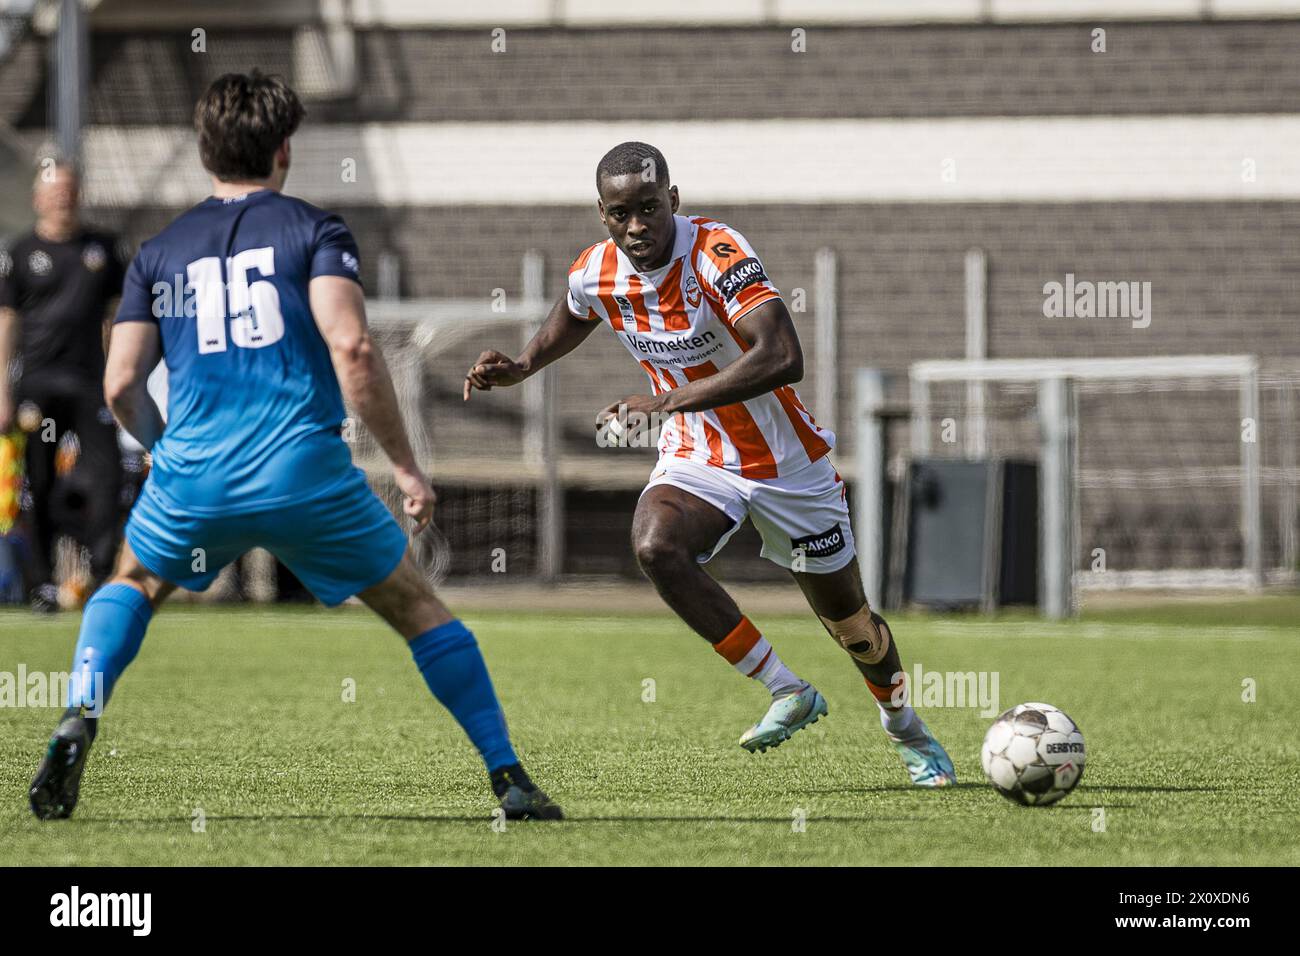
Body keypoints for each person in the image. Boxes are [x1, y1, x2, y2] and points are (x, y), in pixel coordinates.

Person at [29, 71, 561, 822]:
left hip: (195, 475)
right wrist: (406, 466)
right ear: (284, 150)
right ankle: (508, 776)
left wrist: (164, 449)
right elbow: (354, 349)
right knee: (415, 606)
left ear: (204, 151)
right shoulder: (315, 231)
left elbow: (120, 384)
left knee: (134, 583)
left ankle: (79, 711)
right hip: (303, 474)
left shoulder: (158, 252)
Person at [465, 142, 954, 786]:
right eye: (620, 214)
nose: (636, 226)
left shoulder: (716, 251)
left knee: (851, 625)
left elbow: (782, 354)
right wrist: (524, 364)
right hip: (700, 456)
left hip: (788, 464)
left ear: (673, 200)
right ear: (603, 216)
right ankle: (786, 688)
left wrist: (663, 399)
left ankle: (905, 728)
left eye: (648, 208)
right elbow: (576, 310)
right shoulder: (597, 269)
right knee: (655, 544)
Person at [0, 162, 126, 612]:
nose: (63, 199)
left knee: (109, 476)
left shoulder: (104, 250)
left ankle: (100, 571)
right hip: (37, 385)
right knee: (37, 482)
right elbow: (7, 322)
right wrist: (3, 390)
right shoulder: (18, 253)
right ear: (39, 199)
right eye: (55, 192)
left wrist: (119, 376)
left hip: (92, 385)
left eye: (70, 191)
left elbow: (117, 318)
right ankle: (41, 584)